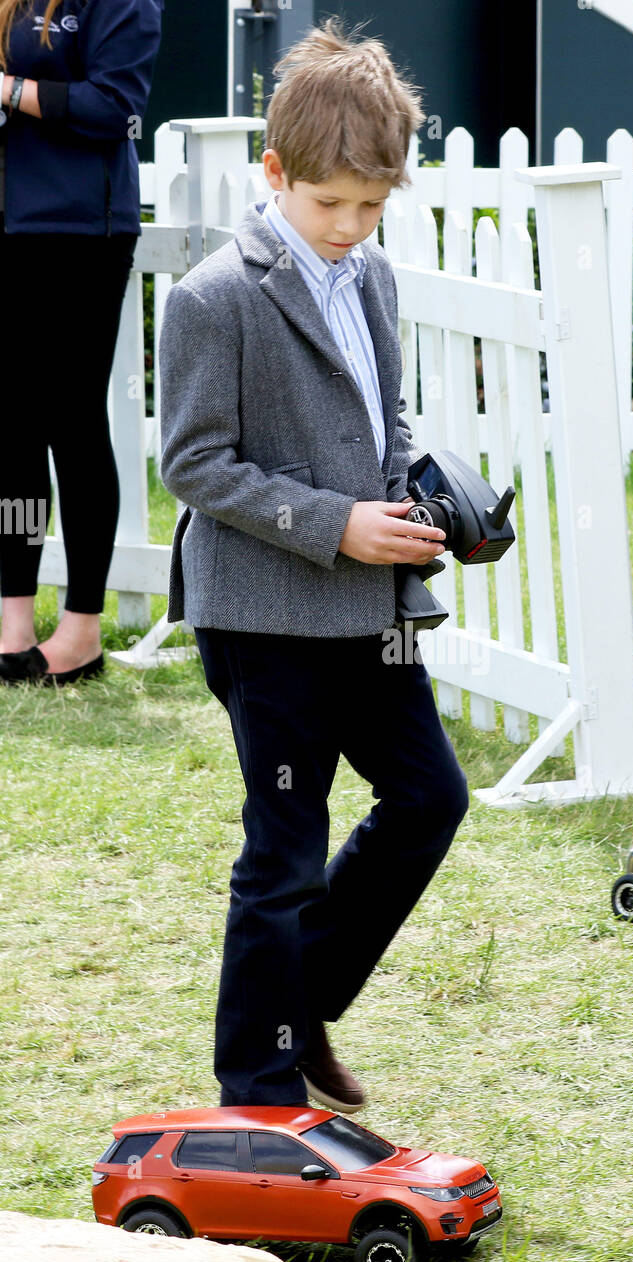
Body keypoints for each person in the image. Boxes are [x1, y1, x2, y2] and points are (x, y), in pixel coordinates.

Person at [158, 16, 469, 1113]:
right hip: (261, 618)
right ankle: (257, 1092)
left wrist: (419, 502)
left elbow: (384, 416)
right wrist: (337, 523)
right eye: (330, 203)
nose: (349, 227)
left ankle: (298, 1005)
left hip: (368, 611)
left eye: (371, 207)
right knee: (285, 850)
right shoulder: (212, 297)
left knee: (429, 797)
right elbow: (193, 463)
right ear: (274, 172)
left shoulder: (372, 276)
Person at [0, 0, 163, 686]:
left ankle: (82, 630)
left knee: (72, 422)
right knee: (12, 429)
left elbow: (114, 108)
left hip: (79, 234)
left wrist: (9, 90)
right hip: (7, 226)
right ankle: (12, 624)